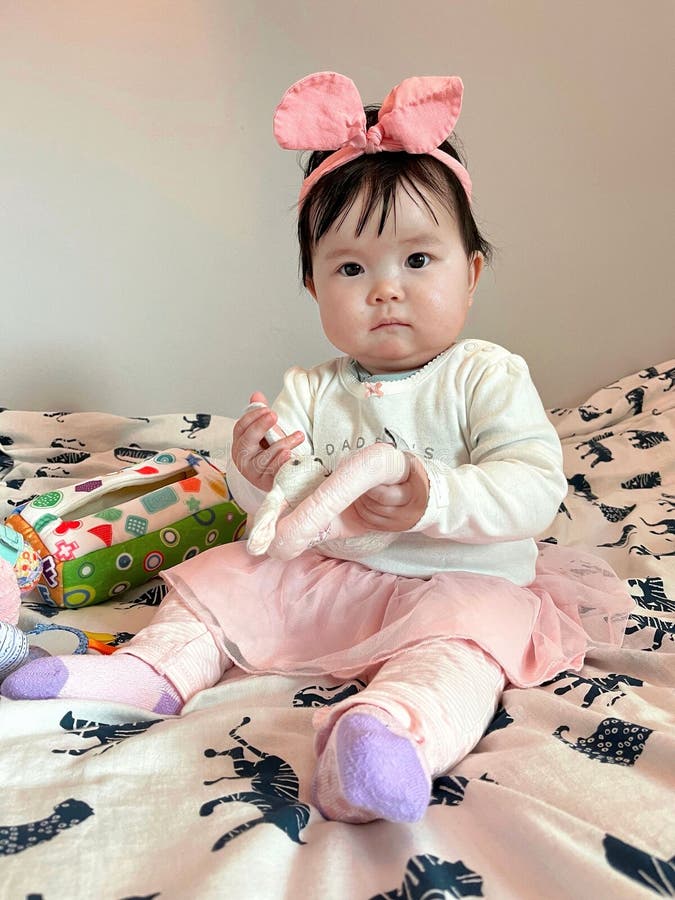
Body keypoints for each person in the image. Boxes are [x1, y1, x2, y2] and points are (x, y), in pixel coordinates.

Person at [2, 73, 633, 825]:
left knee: (467, 650)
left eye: (418, 261)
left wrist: (433, 495)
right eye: (350, 268)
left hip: (454, 580)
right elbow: (271, 517)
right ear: (311, 287)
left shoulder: (484, 375)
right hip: (329, 574)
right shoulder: (311, 385)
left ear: (469, 276)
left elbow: (532, 487)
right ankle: (152, 671)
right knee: (225, 580)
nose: (384, 290)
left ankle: (386, 735)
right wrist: (254, 472)